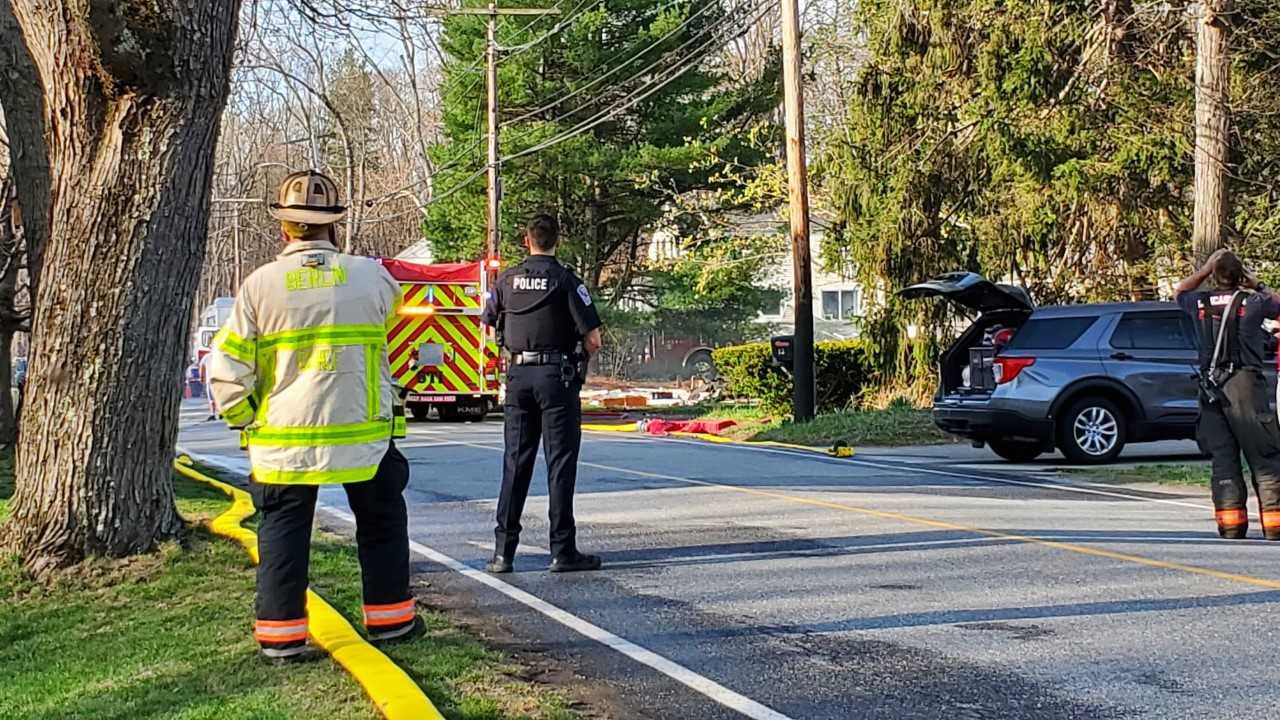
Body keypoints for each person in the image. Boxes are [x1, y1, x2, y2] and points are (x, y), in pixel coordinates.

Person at [207, 169, 420, 663]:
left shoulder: (260, 286)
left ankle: (281, 638)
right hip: (362, 434)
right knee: (382, 524)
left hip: (283, 441)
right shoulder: (372, 277)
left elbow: (227, 367)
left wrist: (245, 419)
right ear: (335, 225)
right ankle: (392, 622)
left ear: (285, 228)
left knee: (282, 531)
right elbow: (391, 330)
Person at [482, 213, 604, 573]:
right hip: (557, 378)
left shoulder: (506, 280)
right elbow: (594, 339)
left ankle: (503, 553)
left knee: (515, 464)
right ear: (557, 241)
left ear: (527, 240)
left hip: (518, 377)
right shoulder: (566, 280)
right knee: (559, 465)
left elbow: (489, 322)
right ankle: (562, 551)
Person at [1176, 249, 1280, 540]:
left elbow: (1179, 290)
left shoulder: (1199, 302)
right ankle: (1275, 525)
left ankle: (1231, 525)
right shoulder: (1254, 302)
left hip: (1211, 389)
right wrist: (1256, 284)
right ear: (1240, 276)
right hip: (1245, 385)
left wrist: (1205, 270)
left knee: (1224, 458)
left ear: (1214, 276)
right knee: (1265, 457)